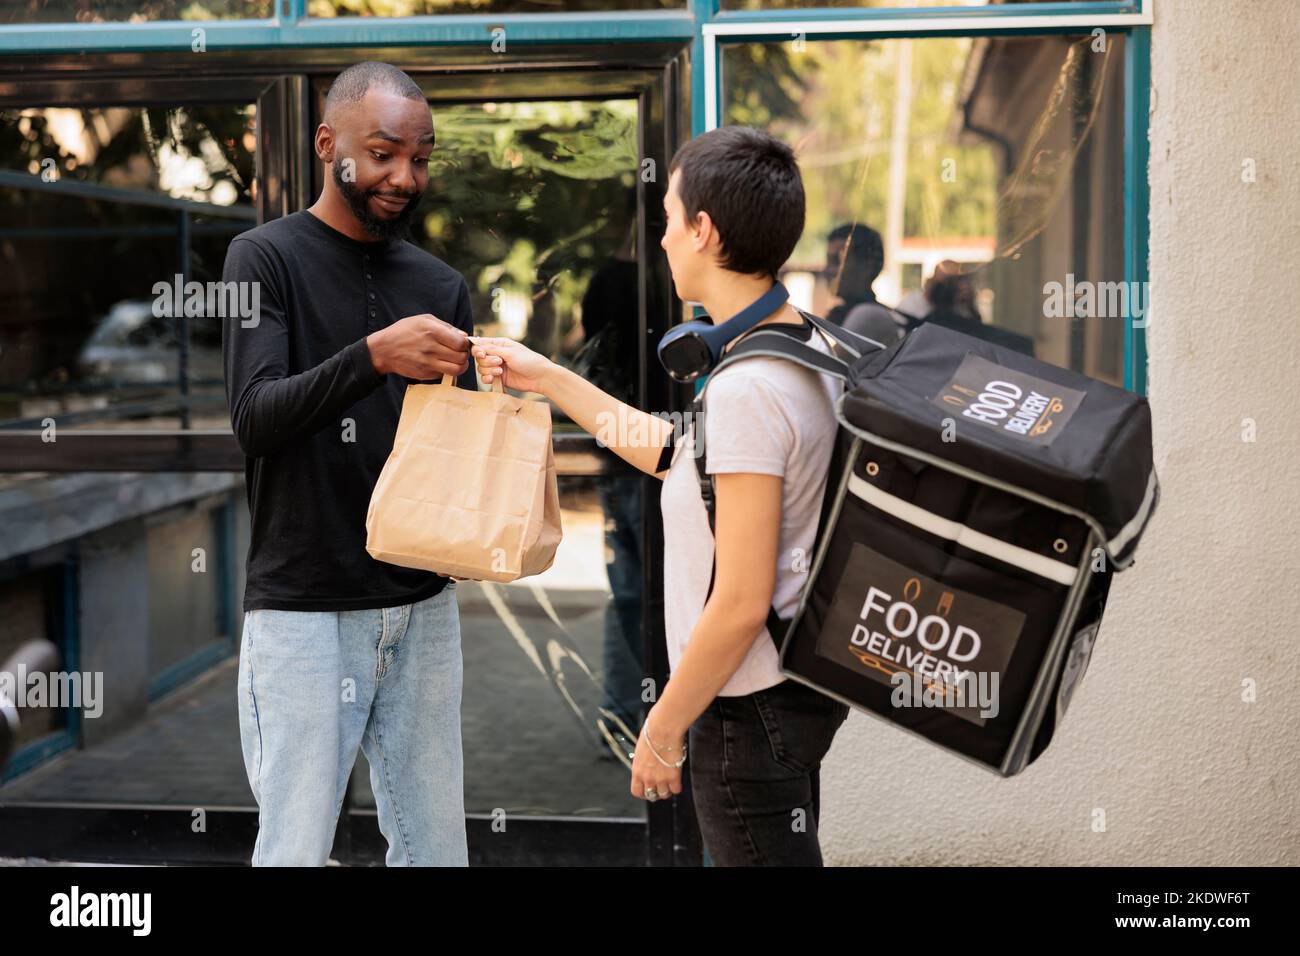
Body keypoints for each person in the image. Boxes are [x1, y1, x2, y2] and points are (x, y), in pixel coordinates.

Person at [472, 126, 849, 866]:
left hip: (744, 710)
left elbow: (741, 599)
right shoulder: (800, 343)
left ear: (704, 230)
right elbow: (678, 456)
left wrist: (664, 727)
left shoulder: (749, 388)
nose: (664, 237)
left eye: (671, 217)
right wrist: (545, 376)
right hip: (779, 699)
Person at [221, 61, 476, 866]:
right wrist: (373, 357)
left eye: (420, 158)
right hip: (303, 610)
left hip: (423, 607)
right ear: (329, 144)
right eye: (384, 153)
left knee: (437, 852)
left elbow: (452, 447)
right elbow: (255, 418)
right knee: (294, 850)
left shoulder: (440, 284)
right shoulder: (261, 259)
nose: (405, 177)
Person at [822, 222, 908, 346]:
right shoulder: (854, 313)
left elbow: (828, 359)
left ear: (867, 266)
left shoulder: (869, 316)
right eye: (828, 261)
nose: (827, 270)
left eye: (837, 261)